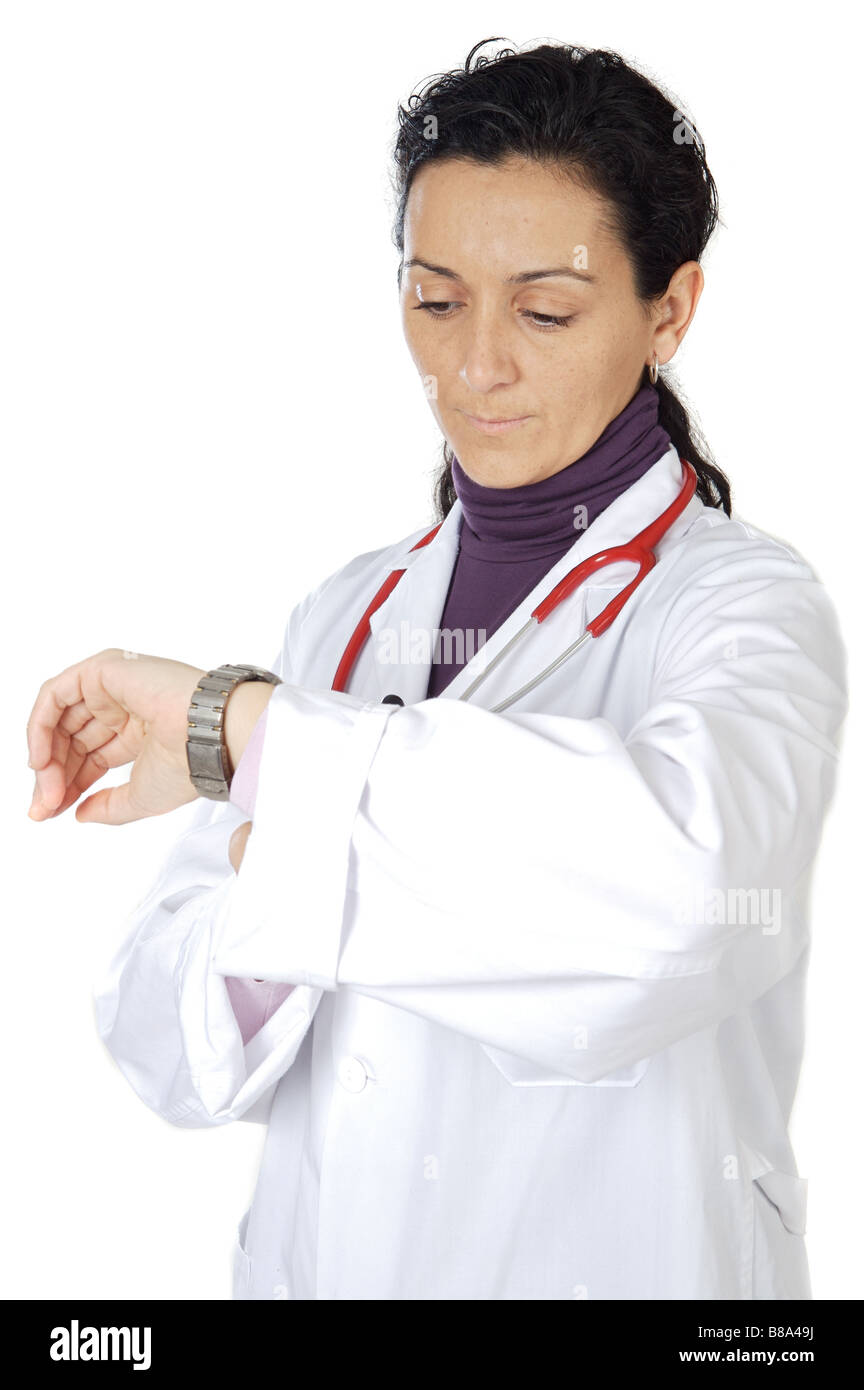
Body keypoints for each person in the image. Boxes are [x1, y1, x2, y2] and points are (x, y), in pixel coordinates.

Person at [26, 39, 848, 1300]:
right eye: (436, 296)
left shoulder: (743, 608)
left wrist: (262, 756)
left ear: (670, 309)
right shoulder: (347, 615)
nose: (474, 367)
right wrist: (290, 828)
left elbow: (676, 899)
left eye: (547, 309)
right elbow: (164, 1048)